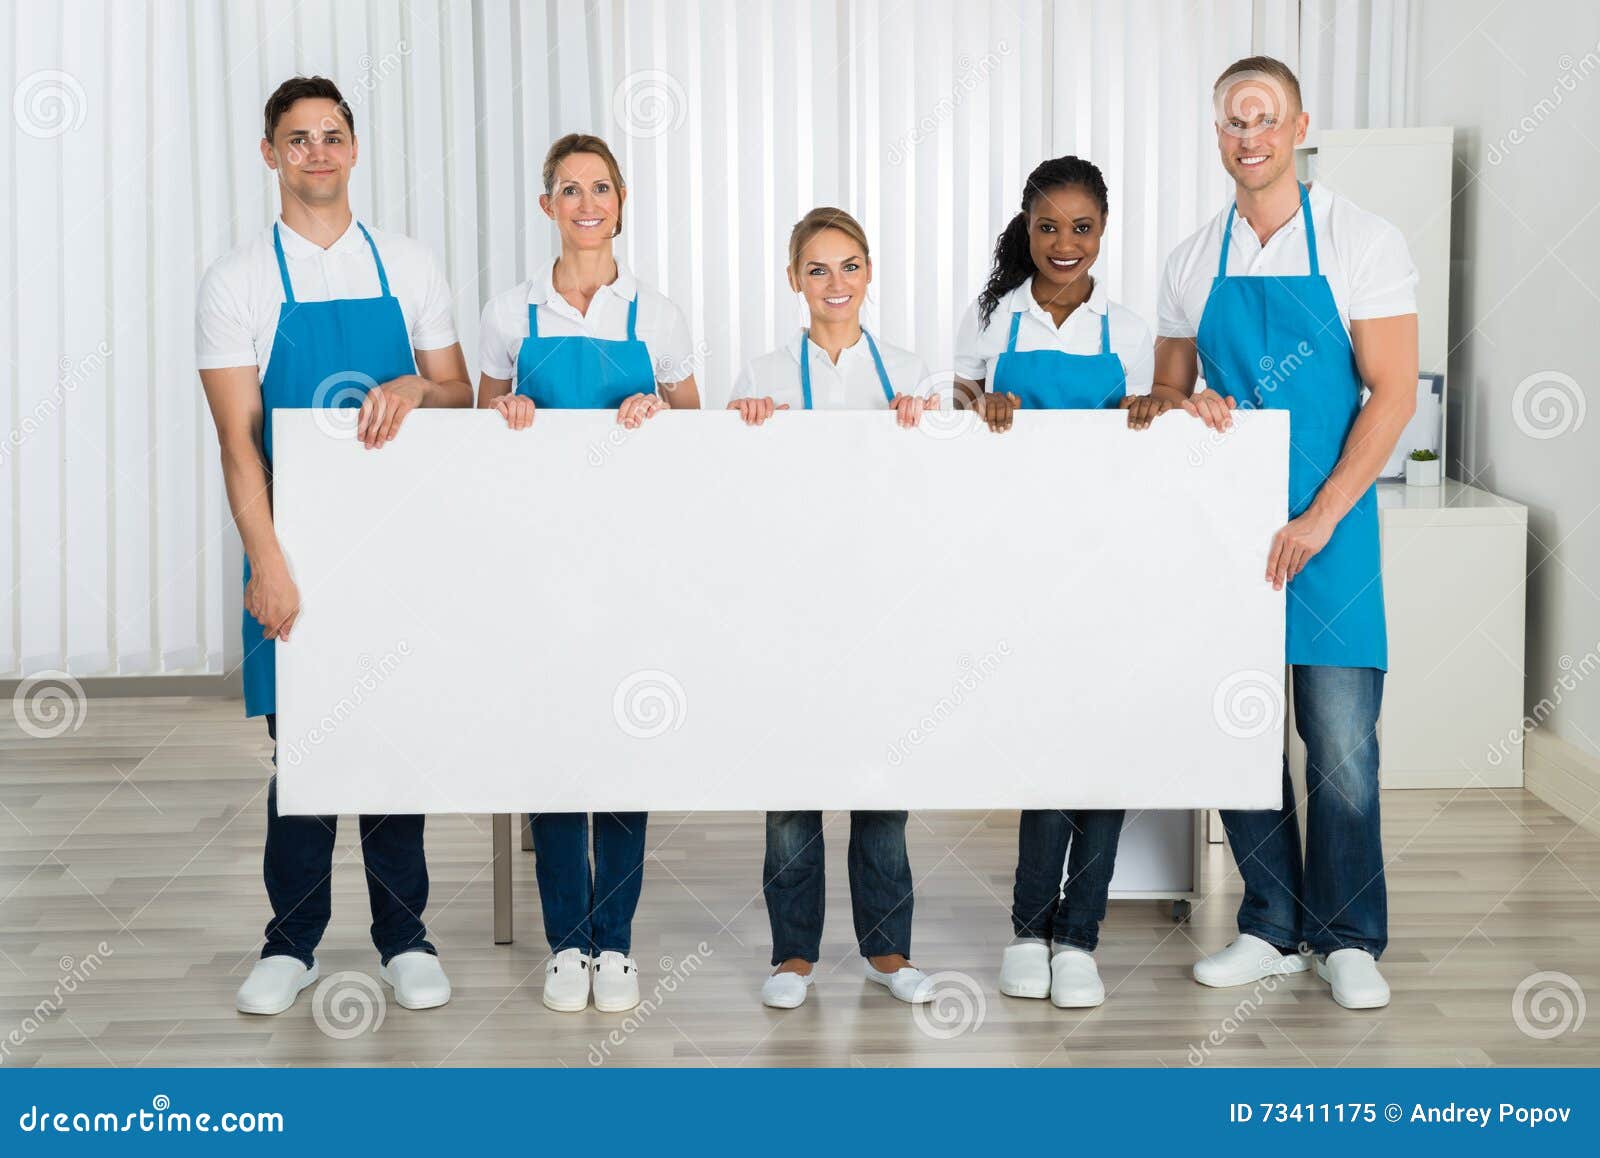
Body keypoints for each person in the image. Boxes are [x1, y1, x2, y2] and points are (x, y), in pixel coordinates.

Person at [1147, 56, 1418, 1009]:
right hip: (1228, 539)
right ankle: (1271, 922)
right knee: (1241, 736)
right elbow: (1164, 397)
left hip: (1332, 527)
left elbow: (1391, 396)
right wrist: (1193, 407)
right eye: (1232, 121)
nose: (1249, 136)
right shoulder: (1191, 259)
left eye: (1264, 119)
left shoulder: (1362, 240)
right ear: (1216, 134)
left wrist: (1318, 516)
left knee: (1341, 745)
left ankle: (1349, 937)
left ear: (1300, 125)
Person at [197, 76, 470, 1016]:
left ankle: (406, 936)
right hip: (296, 551)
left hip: (402, 551)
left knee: (392, 740)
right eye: (297, 138)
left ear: (355, 148)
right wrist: (266, 562)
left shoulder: (409, 264)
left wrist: (411, 387)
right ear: (270, 154)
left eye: (331, 135)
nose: (316, 152)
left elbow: (460, 395)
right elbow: (238, 442)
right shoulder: (236, 280)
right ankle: (292, 941)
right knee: (303, 747)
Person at [478, 132, 701, 1014]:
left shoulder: (659, 316)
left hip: (631, 565)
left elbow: (700, 438)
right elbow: (477, 431)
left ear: (620, 200)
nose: (585, 204)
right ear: (547, 207)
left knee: (620, 744)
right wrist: (507, 407)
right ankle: (566, 943)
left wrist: (656, 411)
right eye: (568, 190)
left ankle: (619, 941)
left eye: (600, 188)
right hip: (540, 564)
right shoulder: (509, 313)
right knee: (554, 747)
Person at [953, 157, 1155, 1007]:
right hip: (1021, 560)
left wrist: (1147, 412)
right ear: (1026, 230)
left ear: (1103, 231)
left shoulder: (1132, 329)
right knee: (1045, 744)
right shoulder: (993, 316)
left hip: (1109, 560)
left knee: (1102, 747)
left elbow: (1158, 427)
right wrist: (976, 399)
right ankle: (1028, 928)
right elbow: (952, 389)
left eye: (1081, 227)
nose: (1063, 243)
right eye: (1047, 227)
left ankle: (1079, 935)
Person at [730, 207, 939, 1010]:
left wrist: (924, 436)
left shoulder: (913, 374)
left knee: (883, 790)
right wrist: (743, 431)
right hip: (793, 609)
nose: (835, 284)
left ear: (870, 273)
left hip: (888, 606)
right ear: (793, 280)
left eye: (849, 266)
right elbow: (736, 495)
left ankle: (888, 952)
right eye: (817, 269)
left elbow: (937, 499)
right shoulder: (761, 376)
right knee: (792, 794)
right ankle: (793, 958)